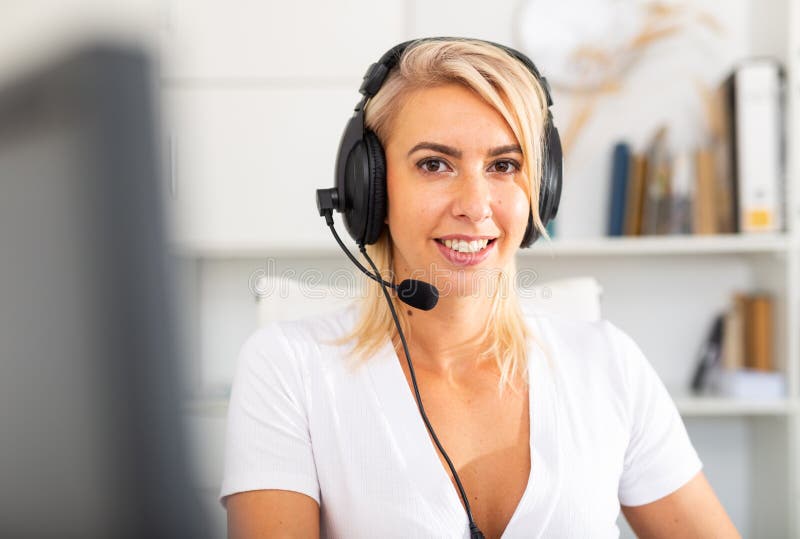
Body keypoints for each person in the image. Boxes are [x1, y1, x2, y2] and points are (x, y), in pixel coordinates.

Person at [220, 38, 740, 538]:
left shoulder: (609, 365)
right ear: (368, 188)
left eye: (504, 165)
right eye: (434, 164)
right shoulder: (289, 368)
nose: (475, 204)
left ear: (541, 188)